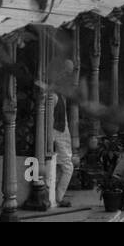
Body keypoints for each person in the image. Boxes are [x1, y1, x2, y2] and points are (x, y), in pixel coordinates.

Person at [48, 59, 76, 206]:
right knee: (67, 167)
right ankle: (58, 197)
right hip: (56, 134)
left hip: (62, 132)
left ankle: (56, 196)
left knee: (62, 167)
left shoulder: (59, 93)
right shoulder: (53, 96)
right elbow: (49, 122)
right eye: (65, 73)